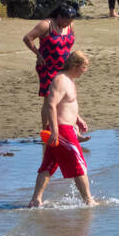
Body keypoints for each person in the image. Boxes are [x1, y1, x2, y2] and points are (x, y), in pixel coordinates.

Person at [29, 49, 94, 208]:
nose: (85, 71)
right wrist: (56, 130)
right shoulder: (60, 80)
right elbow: (50, 105)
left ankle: (36, 200)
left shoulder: (69, 80)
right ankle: (88, 200)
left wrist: (78, 120)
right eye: (84, 67)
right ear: (76, 65)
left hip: (66, 128)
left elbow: (66, 104)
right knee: (79, 164)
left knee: (49, 165)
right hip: (62, 130)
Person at [24, 3, 78, 97]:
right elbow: (28, 38)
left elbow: (70, 40)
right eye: (66, 22)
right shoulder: (46, 25)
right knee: (50, 98)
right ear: (59, 17)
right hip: (48, 67)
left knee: (65, 96)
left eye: (70, 22)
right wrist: (38, 54)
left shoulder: (70, 25)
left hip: (65, 67)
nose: (67, 24)